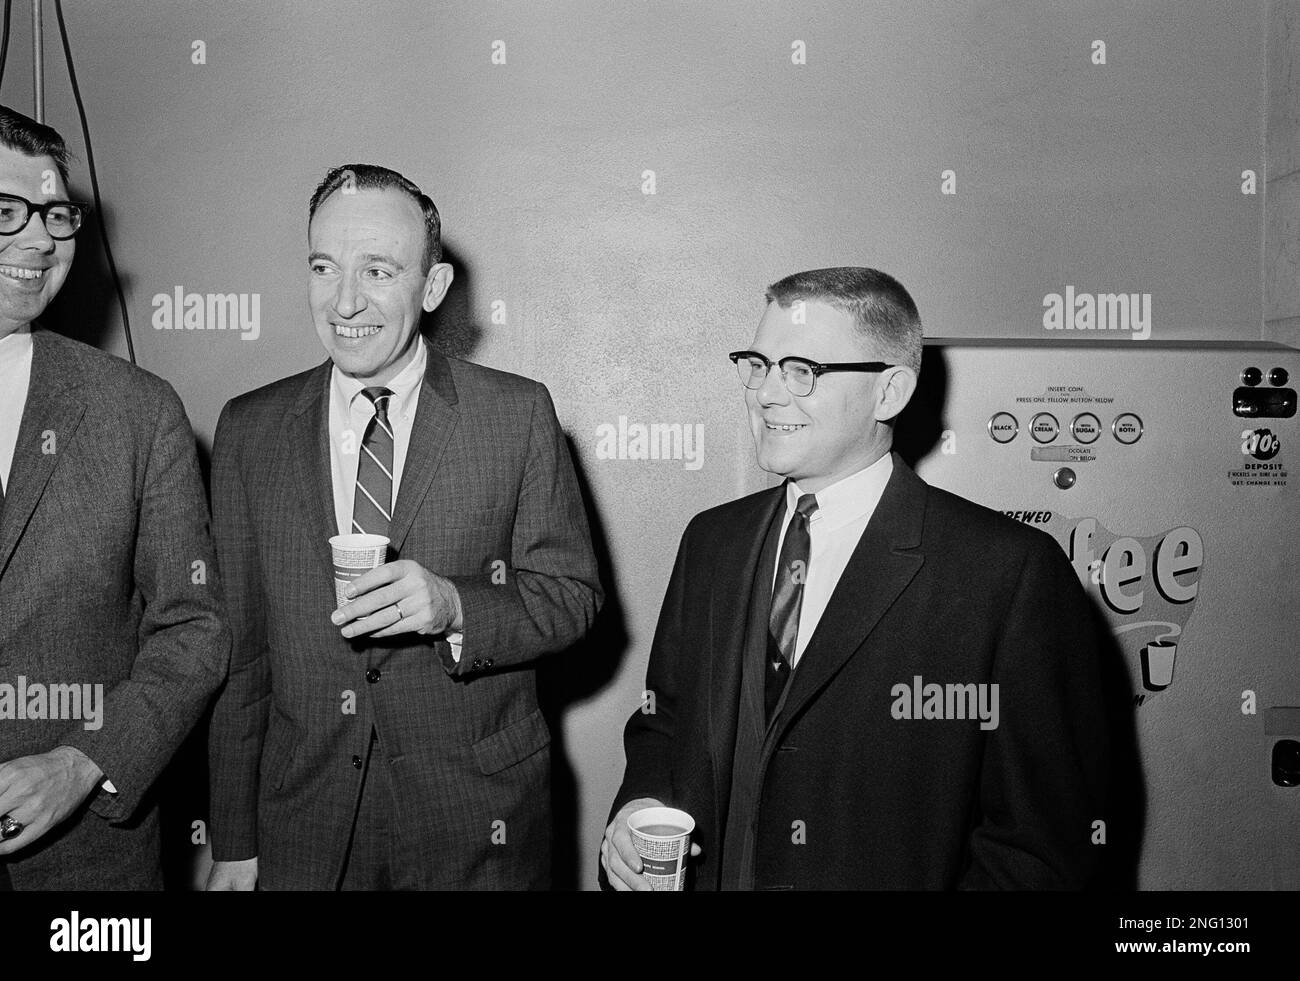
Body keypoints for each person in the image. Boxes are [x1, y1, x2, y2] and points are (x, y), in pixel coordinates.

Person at [602, 267, 1109, 890]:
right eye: (758, 364)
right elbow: (666, 722)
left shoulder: (1009, 574)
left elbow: (1039, 847)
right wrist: (640, 809)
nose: (765, 394)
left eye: (802, 371)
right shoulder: (712, 541)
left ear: (891, 392)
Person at [205, 164, 601, 890]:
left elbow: (572, 596)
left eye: (378, 270)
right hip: (305, 824)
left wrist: (456, 606)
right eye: (325, 267)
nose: (345, 300)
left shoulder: (516, 416)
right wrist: (233, 837)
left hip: (477, 822)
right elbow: (242, 656)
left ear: (434, 288)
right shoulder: (249, 428)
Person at [0, 105, 229, 889]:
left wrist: (81, 763)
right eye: (6, 212)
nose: (41, 241)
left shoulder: (137, 409)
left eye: (57, 213)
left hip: (82, 869)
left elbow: (193, 629)